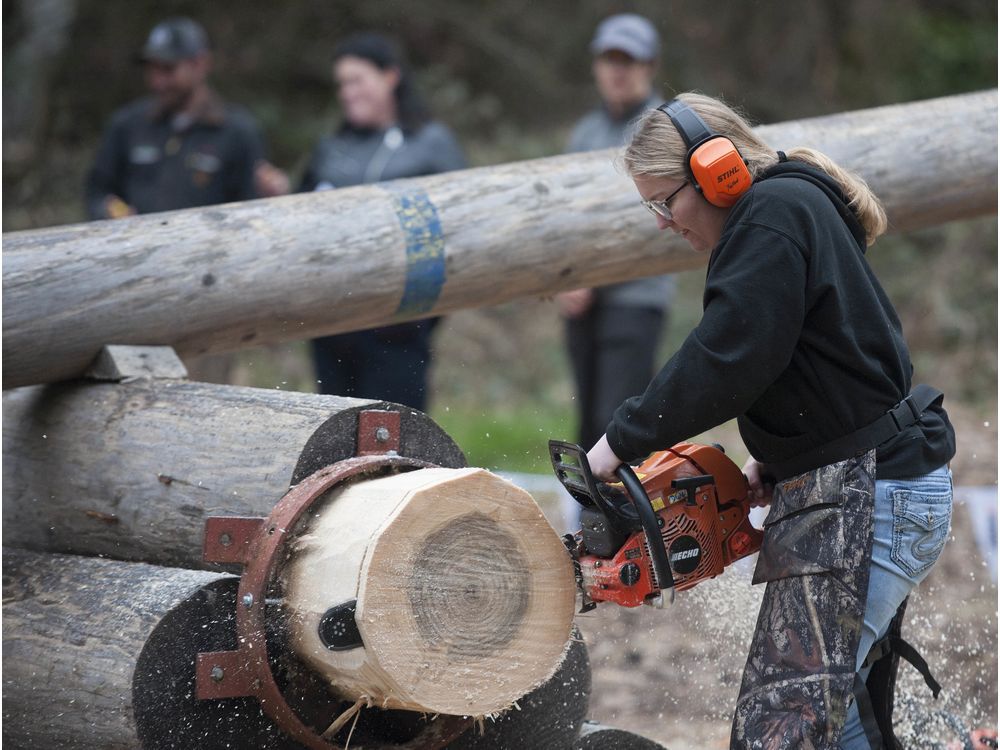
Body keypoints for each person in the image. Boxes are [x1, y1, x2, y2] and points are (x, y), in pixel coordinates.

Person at [585, 92, 956, 749]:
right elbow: (822, 351)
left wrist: (618, 441)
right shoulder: (788, 207)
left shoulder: (772, 214)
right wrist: (783, 454)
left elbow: (730, 354)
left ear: (715, 171)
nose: (663, 223)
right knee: (840, 719)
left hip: (868, 496)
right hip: (864, 484)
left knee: (780, 728)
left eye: (664, 202)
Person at [299, 33, 466, 410]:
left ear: (390, 76)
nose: (347, 93)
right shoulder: (332, 147)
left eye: (357, 80)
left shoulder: (430, 143)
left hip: (399, 329)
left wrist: (427, 312)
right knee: (336, 432)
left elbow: (463, 225)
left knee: (394, 433)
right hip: (333, 326)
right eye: (342, 84)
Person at [558, 13, 675, 450]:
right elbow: (562, 213)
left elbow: (660, 217)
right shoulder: (585, 132)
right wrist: (565, 278)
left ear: (651, 65)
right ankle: (590, 497)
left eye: (629, 60)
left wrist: (594, 276)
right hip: (581, 302)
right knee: (587, 425)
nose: (618, 71)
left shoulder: (665, 128)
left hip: (636, 299)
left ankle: (633, 495)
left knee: (617, 422)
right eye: (610, 59)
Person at [85, 17, 288, 220]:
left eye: (168, 69)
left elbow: (251, 210)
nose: (157, 82)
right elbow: (97, 191)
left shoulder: (237, 133)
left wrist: (272, 198)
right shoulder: (127, 125)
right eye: (152, 69)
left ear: (200, 64)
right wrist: (110, 210)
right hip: (134, 240)